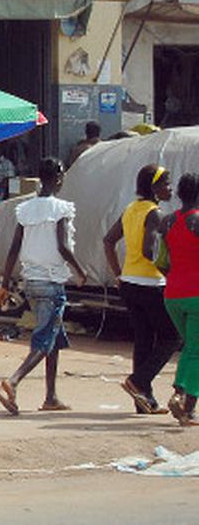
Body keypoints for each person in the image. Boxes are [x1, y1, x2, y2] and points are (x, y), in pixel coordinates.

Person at [0, 158, 86, 415]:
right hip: (51, 282)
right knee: (45, 340)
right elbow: (63, 247)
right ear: (57, 177)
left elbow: (14, 248)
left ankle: (51, 396)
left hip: (31, 281)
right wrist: (80, 270)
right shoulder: (61, 208)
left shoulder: (25, 209)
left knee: (54, 339)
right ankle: (14, 380)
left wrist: (5, 282)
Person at [104, 164, 181, 414]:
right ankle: (138, 382)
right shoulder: (154, 213)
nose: (170, 188)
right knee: (172, 337)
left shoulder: (131, 209)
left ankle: (142, 400)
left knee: (144, 340)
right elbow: (150, 251)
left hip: (129, 283)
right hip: (150, 284)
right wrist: (170, 271)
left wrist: (118, 274)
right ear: (154, 187)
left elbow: (109, 240)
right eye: (166, 183)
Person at [159, 173, 199, 425]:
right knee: (196, 350)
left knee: (191, 346)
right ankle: (183, 400)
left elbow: (161, 261)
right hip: (196, 294)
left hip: (172, 294)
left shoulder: (167, 221)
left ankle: (182, 396)